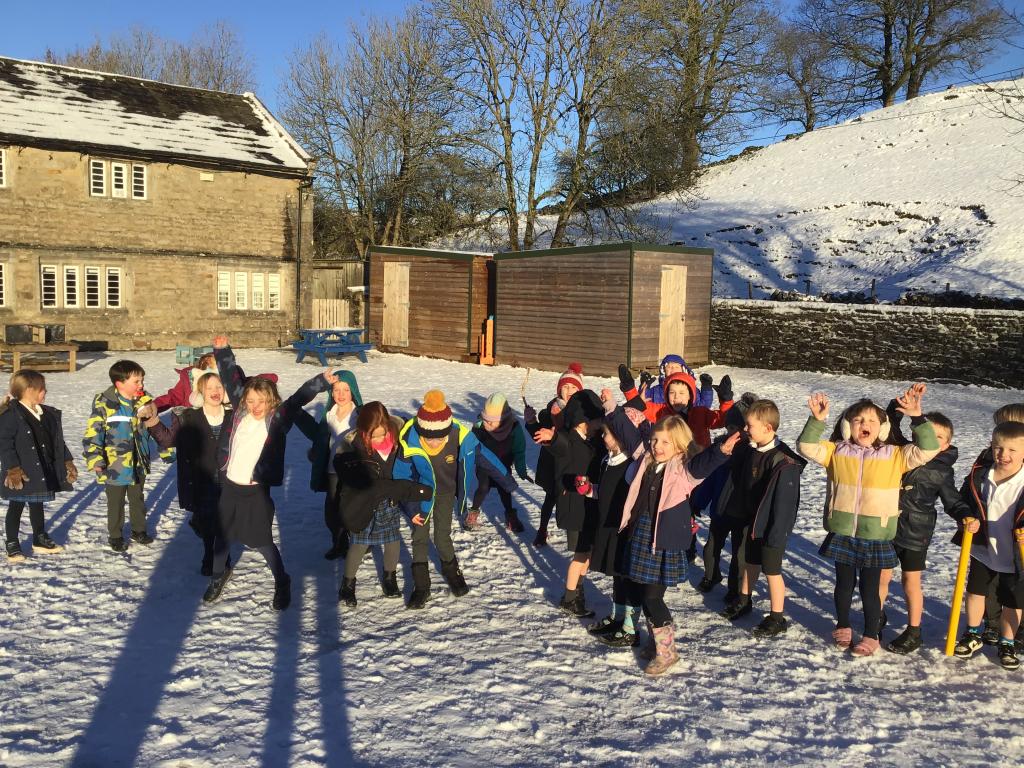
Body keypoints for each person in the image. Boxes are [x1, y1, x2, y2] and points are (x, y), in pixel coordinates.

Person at [798, 386, 938, 656]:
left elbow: (929, 448)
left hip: (876, 533)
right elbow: (806, 446)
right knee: (843, 584)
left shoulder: (896, 455)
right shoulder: (836, 452)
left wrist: (917, 417)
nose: (865, 424)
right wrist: (817, 421)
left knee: (870, 589)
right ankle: (843, 625)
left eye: (872, 420)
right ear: (848, 425)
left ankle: (872, 634)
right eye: (859, 420)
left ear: (882, 428)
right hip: (843, 531)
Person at [201, 336, 334, 611]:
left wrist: (319, 382)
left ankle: (282, 580)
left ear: (271, 401)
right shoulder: (239, 413)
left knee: (261, 542)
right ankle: (217, 576)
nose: (255, 406)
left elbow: (297, 400)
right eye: (251, 401)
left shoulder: (276, 420)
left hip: (255, 491)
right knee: (222, 536)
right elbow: (230, 378)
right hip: (229, 487)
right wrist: (223, 350)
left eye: (261, 401)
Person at [617, 417, 739, 675]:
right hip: (642, 536)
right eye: (654, 440)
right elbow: (628, 436)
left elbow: (702, 466)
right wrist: (611, 410)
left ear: (679, 446)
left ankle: (668, 651)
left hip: (662, 541)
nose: (657, 446)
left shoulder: (682, 470)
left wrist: (721, 452)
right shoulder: (647, 463)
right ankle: (656, 643)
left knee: (652, 598)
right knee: (647, 595)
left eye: (665, 442)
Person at [394, 389, 517, 609]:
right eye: (428, 439)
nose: (433, 443)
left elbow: (485, 457)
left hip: (446, 492)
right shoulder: (409, 439)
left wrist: (507, 480)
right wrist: (412, 509)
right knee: (419, 537)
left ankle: (453, 573)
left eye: (439, 438)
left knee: (442, 535)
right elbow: (400, 476)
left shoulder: (460, 436)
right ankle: (421, 587)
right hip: (420, 492)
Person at [716, 400, 806, 638]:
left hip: (772, 528)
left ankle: (777, 617)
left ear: (767, 427)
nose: (746, 430)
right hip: (752, 522)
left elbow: (785, 504)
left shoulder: (783, 462)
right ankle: (744, 601)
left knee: (772, 571)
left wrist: (777, 533)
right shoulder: (751, 450)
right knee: (750, 563)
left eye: (750, 426)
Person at [877, 401, 962, 654]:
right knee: (881, 576)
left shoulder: (942, 472)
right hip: (888, 525)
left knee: (910, 581)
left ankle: (914, 630)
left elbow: (953, 500)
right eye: (928, 435)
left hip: (916, 533)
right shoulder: (903, 452)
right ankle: (876, 618)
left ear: (947, 444)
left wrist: (965, 515)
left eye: (939, 437)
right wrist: (896, 407)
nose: (933, 442)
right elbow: (889, 430)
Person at [335, 402, 432, 607]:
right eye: (373, 436)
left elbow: (404, 479)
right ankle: (347, 585)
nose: (379, 439)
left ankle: (390, 578)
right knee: (359, 544)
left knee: (392, 540)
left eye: (382, 433)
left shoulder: (399, 444)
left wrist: (411, 509)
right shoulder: (352, 451)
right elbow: (358, 483)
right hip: (364, 503)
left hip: (389, 503)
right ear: (363, 432)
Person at [145, 370, 233, 575]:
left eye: (219, 387)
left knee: (224, 521)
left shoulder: (233, 416)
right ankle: (208, 554)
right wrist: (153, 422)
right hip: (201, 480)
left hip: (228, 479)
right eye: (209, 388)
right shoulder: (188, 416)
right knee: (207, 522)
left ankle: (223, 557)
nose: (215, 392)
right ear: (200, 392)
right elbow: (168, 441)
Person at [951, 420, 1024, 670]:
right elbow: (963, 499)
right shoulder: (981, 473)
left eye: (1012, 450)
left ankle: (1007, 642)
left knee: (1012, 600)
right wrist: (966, 517)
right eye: (998, 448)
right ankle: (973, 633)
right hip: (983, 548)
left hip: (1015, 554)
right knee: (975, 591)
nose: (1003, 455)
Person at [532, 390, 606, 617]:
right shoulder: (569, 439)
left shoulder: (593, 440)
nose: (600, 424)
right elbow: (559, 444)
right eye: (597, 420)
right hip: (574, 507)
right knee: (581, 554)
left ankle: (578, 589)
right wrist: (551, 437)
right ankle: (570, 597)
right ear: (584, 421)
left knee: (588, 553)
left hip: (589, 506)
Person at [82, 360, 160, 552]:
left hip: (138, 462)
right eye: (136, 381)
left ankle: (138, 530)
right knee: (115, 502)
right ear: (120, 383)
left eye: (142, 380)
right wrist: (95, 459)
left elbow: (154, 429)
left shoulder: (143, 403)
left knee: (137, 499)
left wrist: (166, 449)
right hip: (114, 466)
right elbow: (93, 434)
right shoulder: (106, 406)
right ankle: (115, 535)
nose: (141, 385)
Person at [1, 370, 75, 561]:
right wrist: (13, 468)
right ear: (28, 390)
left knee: (37, 505)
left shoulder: (46, 414)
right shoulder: (11, 415)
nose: (45, 392)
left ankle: (39, 538)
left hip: (41, 468)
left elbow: (57, 441)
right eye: (42, 389)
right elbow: (4, 443)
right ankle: (12, 543)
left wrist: (67, 460)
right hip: (21, 472)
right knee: (16, 505)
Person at [295, 369, 363, 559]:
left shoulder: (360, 415)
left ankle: (361, 544)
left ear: (353, 392)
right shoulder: (329, 414)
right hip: (333, 471)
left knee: (354, 510)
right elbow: (318, 435)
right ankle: (339, 544)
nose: (340, 395)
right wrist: (297, 414)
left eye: (345, 390)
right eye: (336, 390)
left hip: (353, 472)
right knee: (332, 512)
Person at [524, 363, 583, 547]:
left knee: (573, 501)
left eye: (574, 387)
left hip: (572, 465)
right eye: (565, 387)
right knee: (550, 498)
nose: (569, 390)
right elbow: (540, 436)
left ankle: (576, 540)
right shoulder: (552, 409)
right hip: (552, 463)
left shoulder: (583, 410)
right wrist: (531, 422)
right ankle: (542, 529)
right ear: (559, 390)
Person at [467, 393, 530, 533]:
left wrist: (521, 470)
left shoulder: (514, 428)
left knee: (505, 489)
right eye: (486, 420)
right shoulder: (479, 427)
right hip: (484, 466)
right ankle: (473, 513)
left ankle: (510, 516)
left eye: (493, 421)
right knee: (483, 487)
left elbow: (519, 451)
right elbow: (471, 447)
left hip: (503, 466)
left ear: (504, 418)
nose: (488, 424)